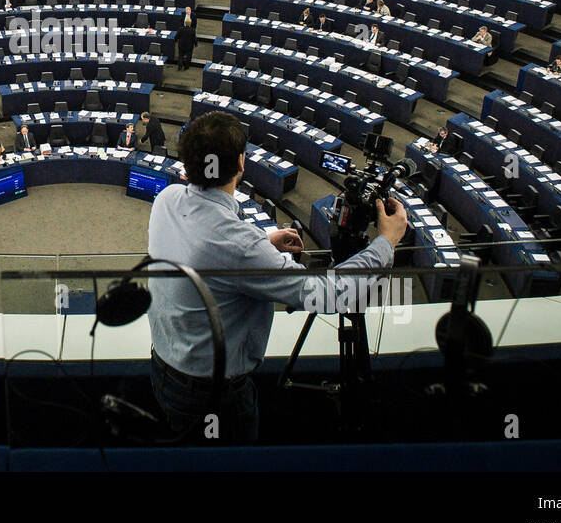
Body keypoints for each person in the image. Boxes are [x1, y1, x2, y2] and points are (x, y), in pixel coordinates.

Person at [146, 110, 404, 442]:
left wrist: (264, 243)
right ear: (241, 163)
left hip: (163, 369)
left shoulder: (167, 199)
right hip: (212, 396)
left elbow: (203, 246)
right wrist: (387, 241)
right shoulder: (239, 247)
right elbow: (330, 295)